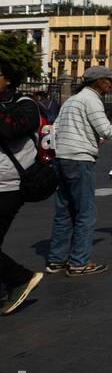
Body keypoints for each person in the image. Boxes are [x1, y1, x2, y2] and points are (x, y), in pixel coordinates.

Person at [46, 66, 112, 276]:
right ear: (97, 81)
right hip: (80, 160)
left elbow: (59, 127)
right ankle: (79, 262)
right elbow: (106, 130)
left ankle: (56, 260)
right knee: (85, 212)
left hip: (62, 158)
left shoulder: (71, 100)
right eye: (108, 81)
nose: (111, 85)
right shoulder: (92, 100)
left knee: (64, 211)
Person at [0, 54, 45, 313]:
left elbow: (10, 130)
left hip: (11, 186)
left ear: (8, 80)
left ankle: (20, 278)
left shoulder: (26, 104)